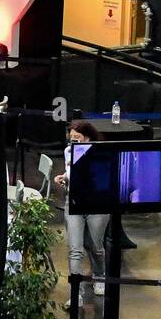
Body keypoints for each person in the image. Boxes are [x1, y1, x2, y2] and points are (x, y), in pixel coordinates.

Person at [55, 120, 108, 295]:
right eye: (71, 138)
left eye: (77, 138)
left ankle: (100, 276)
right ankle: (75, 291)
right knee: (75, 249)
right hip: (74, 202)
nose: (73, 142)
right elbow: (71, 173)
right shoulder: (68, 151)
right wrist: (64, 177)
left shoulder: (100, 153)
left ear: (87, 138)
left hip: (97, 203)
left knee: (95, 246)